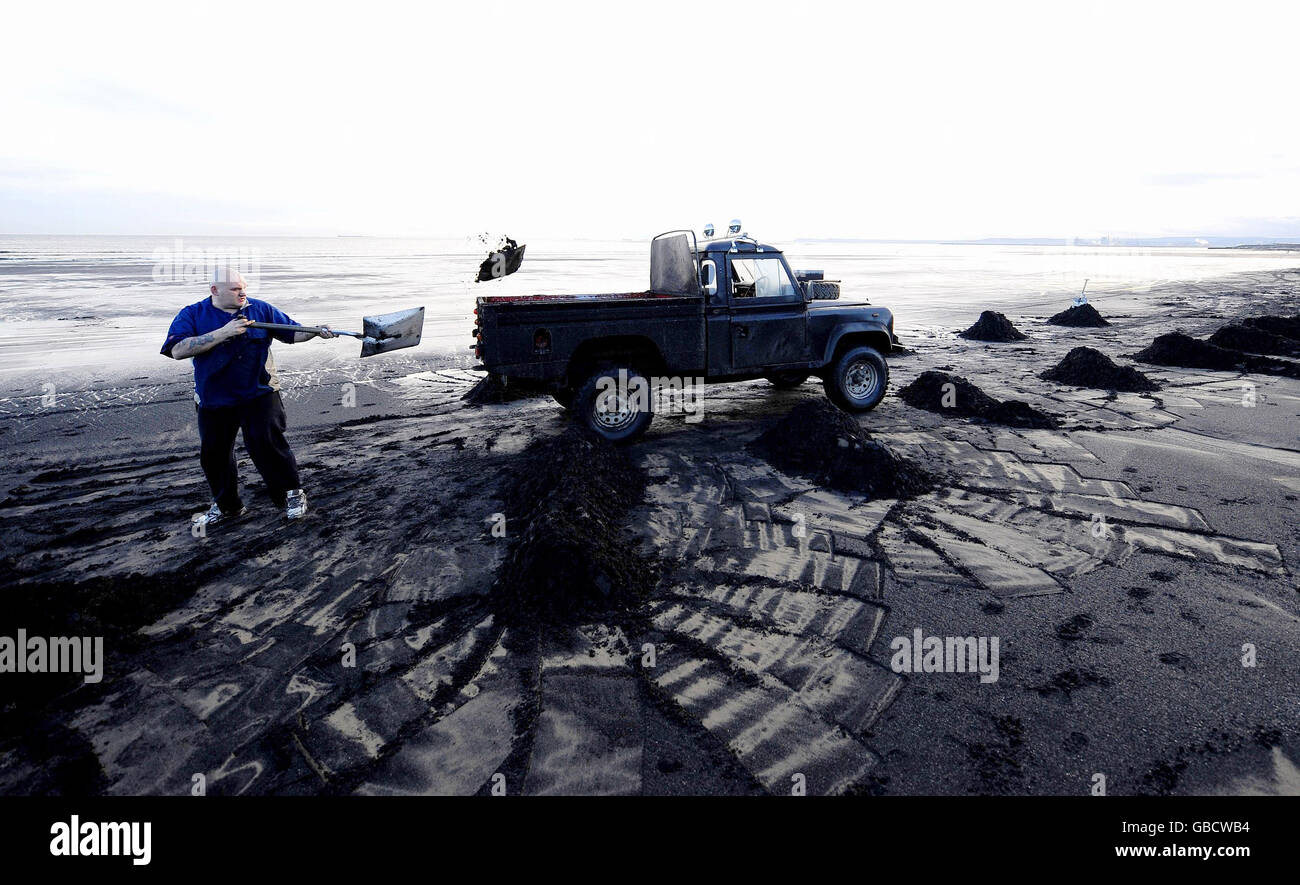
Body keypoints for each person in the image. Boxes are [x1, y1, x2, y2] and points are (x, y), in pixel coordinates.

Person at [161, 267, 333, 526]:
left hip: (259, 392)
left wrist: (316, 331)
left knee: (267, 444)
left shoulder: (260, 309)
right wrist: (224, 333)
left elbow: (293, 333)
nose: (243, 292)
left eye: (244, 287)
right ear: (215, 290)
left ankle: (291, 496)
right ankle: (227, 506)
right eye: (235, 289)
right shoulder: (192, 314)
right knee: (214, 454)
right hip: (213, 397)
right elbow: (177, 350)